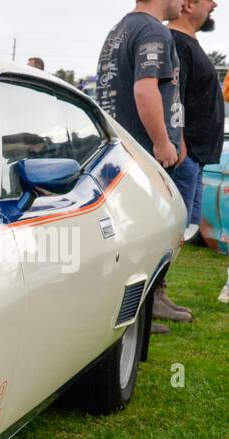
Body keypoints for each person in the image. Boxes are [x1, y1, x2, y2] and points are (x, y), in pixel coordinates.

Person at [97, 0, 191, 330]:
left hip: (122, 152)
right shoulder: (153, 30)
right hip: (140, 154)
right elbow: (145, 88)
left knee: (134, 238)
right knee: (147, 236)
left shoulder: (120, 28)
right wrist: (162, 142)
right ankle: (139, 314)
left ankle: (143, 308)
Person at [171, 1, 222, 239]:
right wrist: (180, 147)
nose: (215, 4)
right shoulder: (177, 43)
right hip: (185, 156)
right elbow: (173, 97)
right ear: (189, 5)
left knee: (184, 234)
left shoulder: (188, 42)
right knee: (173, 236)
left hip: (194, 157)